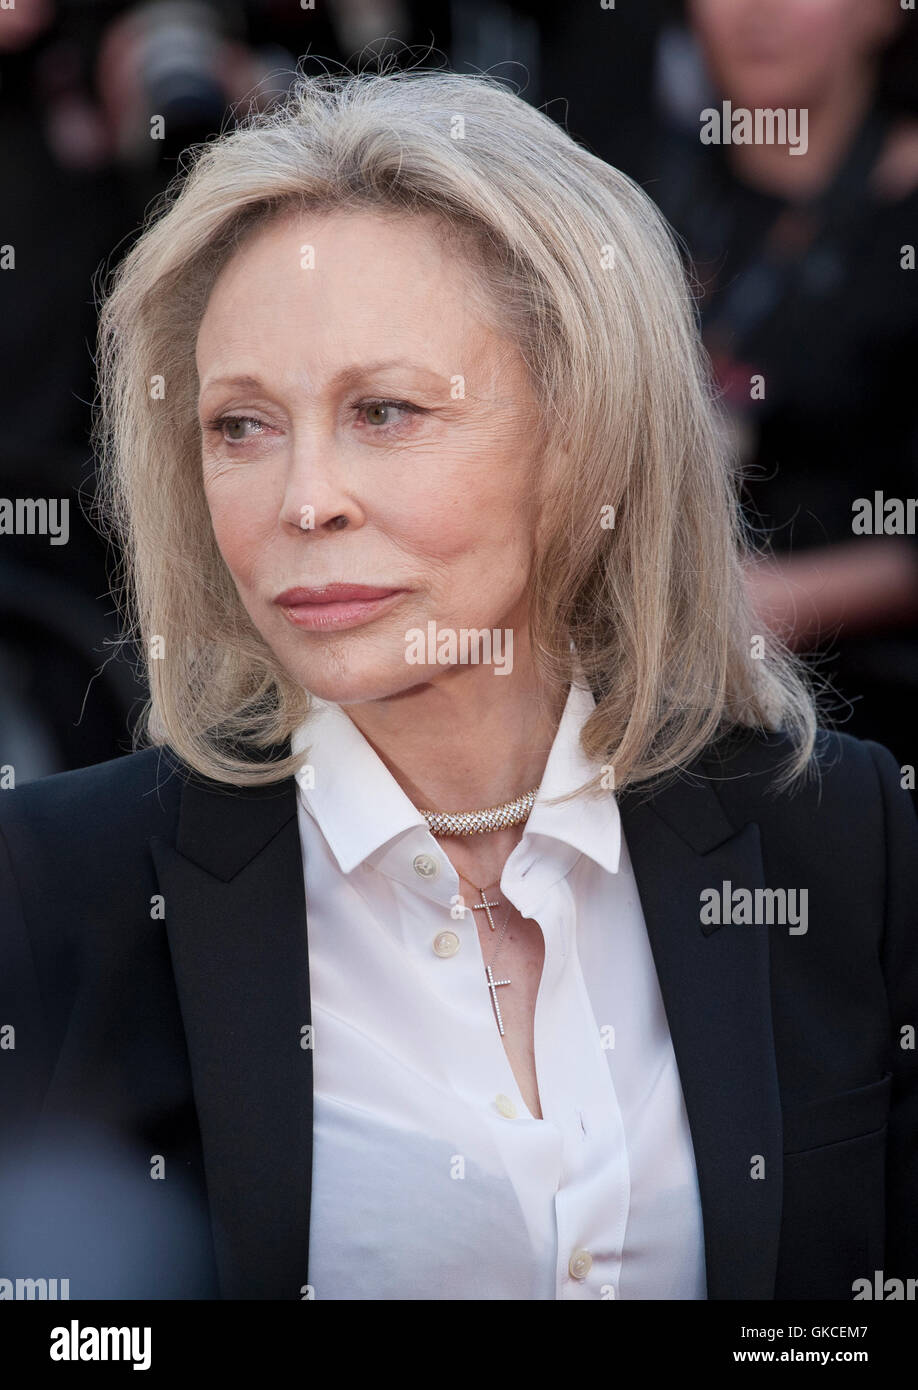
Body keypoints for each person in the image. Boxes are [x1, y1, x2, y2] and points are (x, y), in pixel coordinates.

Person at [1, 67, 915, 1301]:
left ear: (583, 428)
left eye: (384, 410)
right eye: (242, 426)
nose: (302, 497)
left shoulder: (842, 836)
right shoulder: (52, 894)